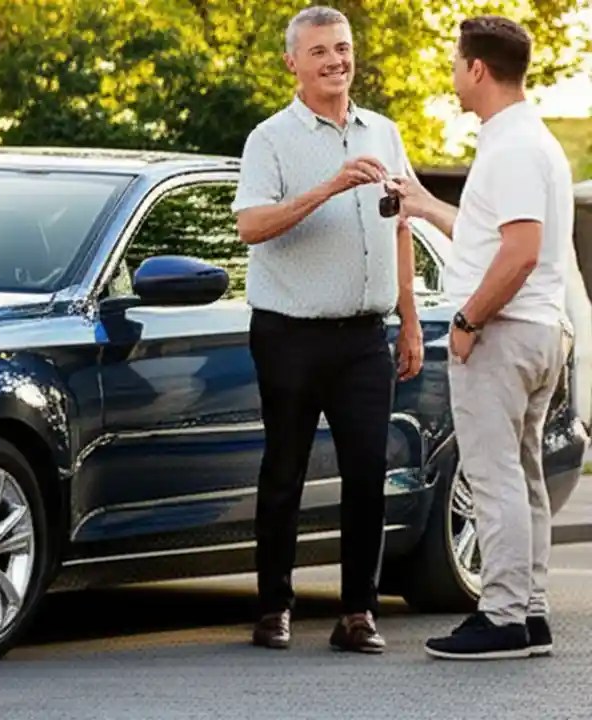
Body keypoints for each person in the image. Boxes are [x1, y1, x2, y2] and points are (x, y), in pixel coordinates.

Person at [232, 5, 424, 654]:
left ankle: (358, 614)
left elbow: (401, 226)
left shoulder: (385, 132)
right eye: (320, 51)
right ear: (293, 62)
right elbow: (251, 226)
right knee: (284, 471)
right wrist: (330, 186)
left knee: (368, 472)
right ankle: (273, 608)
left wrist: (409, 323)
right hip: (289, 334)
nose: (336, 60)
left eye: (342, 48)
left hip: (365, 338)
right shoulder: (269, 139)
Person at [393, 16, 575, 661]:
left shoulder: (514, 148)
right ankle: (528, 612)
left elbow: (519, 252)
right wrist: (422, 204)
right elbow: (489, 236)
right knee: (521, 477)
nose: (451, 74)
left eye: (455, 62)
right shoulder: (523, 141)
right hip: (533, 331)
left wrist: (468, 322)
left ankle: (501, 617)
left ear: (477, 68)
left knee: (493, 477)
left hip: (504, 334)